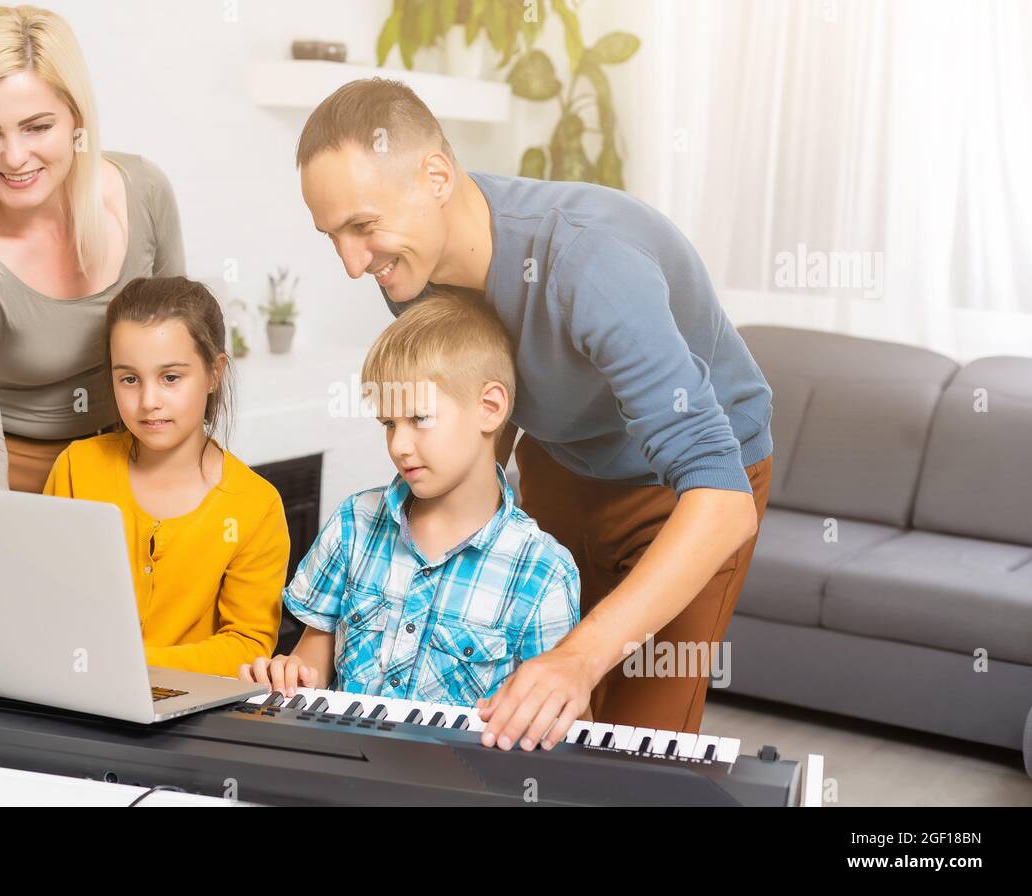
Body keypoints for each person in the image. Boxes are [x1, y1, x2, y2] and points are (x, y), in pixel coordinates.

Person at [296, 78, 774, 751]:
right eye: (333, 236)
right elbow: (479, 414)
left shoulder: (591, 264)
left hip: (687, 487)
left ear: (435, 175)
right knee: (521, 729)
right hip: (560, 457)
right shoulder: (411, 273)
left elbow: (721, 499)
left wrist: (581, 657)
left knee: (631, 754)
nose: (352, 263)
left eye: (362, 227)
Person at [240, 293, 579, 708]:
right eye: (388, 423)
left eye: (419, 419)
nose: (399, 445)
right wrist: (289, 679)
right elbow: (311, 664)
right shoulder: (354, 524)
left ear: (489, 409)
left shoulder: (542, 574)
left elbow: (561, 726)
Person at [0, 4, 185, 492]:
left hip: (130, 457)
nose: (15, 157)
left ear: (76, 119)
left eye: (38, 126)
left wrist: (186, 488)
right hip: (9, 468)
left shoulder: (144, 193)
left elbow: (181, 358)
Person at [44, 277, 290, 674]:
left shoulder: (255, 506)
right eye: (129, 379)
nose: (148, 402)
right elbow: (46, 596)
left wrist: (127, 663)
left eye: (171, 377)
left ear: (214, 373)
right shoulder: (76, 468)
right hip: (77, 697)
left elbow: (248, 645)